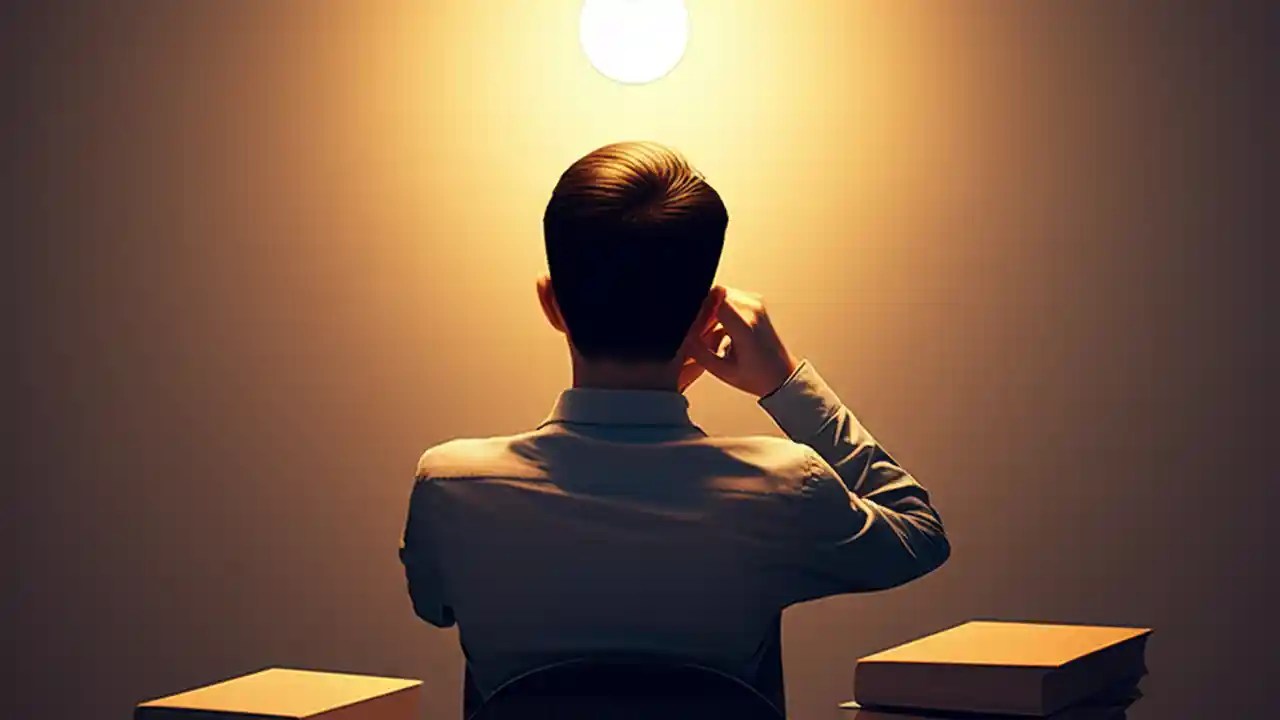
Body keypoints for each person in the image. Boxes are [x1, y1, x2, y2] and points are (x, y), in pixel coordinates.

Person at [399, 141, 949, 715]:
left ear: (551, 303)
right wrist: (784, 384)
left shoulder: (449, 485)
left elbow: (434, 604)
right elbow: (920, 534)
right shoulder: (783, 485)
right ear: (710, 313)